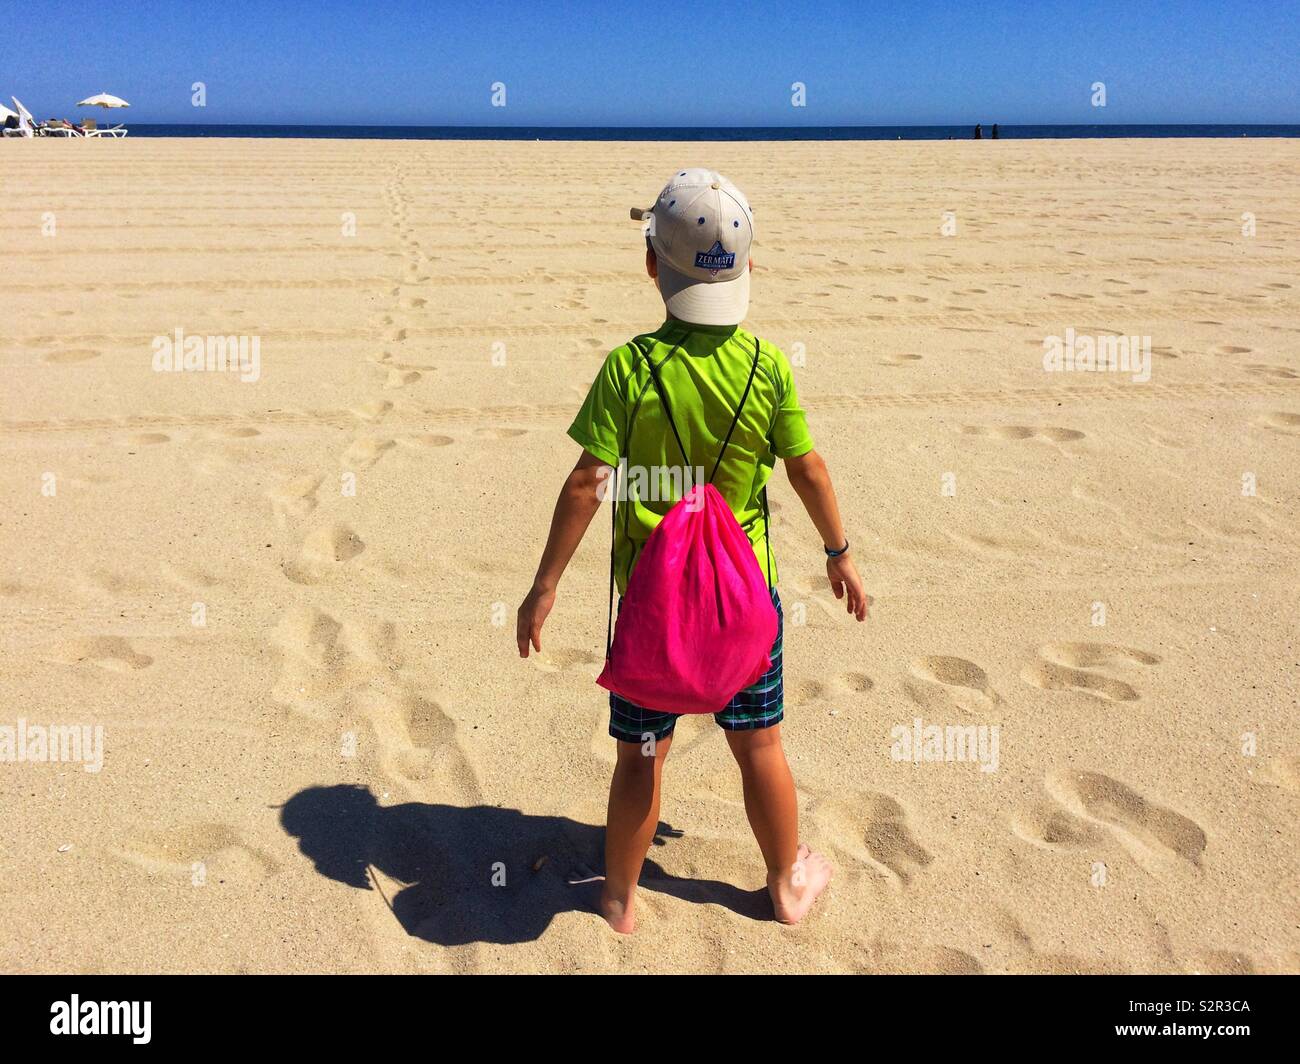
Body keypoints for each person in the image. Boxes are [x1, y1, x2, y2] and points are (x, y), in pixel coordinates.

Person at [516, 169, 867, 933]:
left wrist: (545, 586)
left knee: (642, 755)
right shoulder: (766, 366)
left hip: (654, 608)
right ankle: (784, 883)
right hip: (746, 606)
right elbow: (808, 467)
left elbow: (586, 485)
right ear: (744, 270)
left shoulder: (629, 368)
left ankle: (617, 899)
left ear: (654, 266)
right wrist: (838, 551)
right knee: (761, 743)